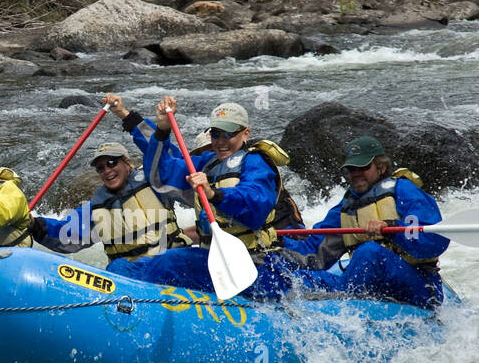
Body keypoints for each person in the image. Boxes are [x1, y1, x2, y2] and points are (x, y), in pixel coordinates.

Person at [106, 95, 303, 298]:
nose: (220, 142)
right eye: (216, 134)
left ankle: (135, 307)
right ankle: (113, 304)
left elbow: (255, 204)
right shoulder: (208, 163)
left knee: (170, 262)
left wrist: (213, 193)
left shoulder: (256, 161)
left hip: (254, 262)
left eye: (228, 134)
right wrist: (163, 129)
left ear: (246, 134)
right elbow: (164, 170)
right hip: (214, 259)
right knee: (122, 266)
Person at [273, 135, 449, 307]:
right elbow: (313, 252)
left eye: (363, 167)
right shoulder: (347, 206)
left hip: (419, 286)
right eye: (351, 169)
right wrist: (273, 244)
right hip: (372, 286)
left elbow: (434, 241)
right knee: (295, 277)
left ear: (381, 167)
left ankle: (343, 304)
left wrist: (393, 228)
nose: (356, 174)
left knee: (369, 252)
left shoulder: (404, 191)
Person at [34, 124, 190, 261]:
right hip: (131, 274)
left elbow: (169, 159)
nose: (107, 171)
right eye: (101, 168)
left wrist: (153, 126)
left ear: (127, 163)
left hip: (168, 261)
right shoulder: (97, 205)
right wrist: (35, 225)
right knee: (118, 266)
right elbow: (67, 233)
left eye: (111, 163)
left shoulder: (154, 182)